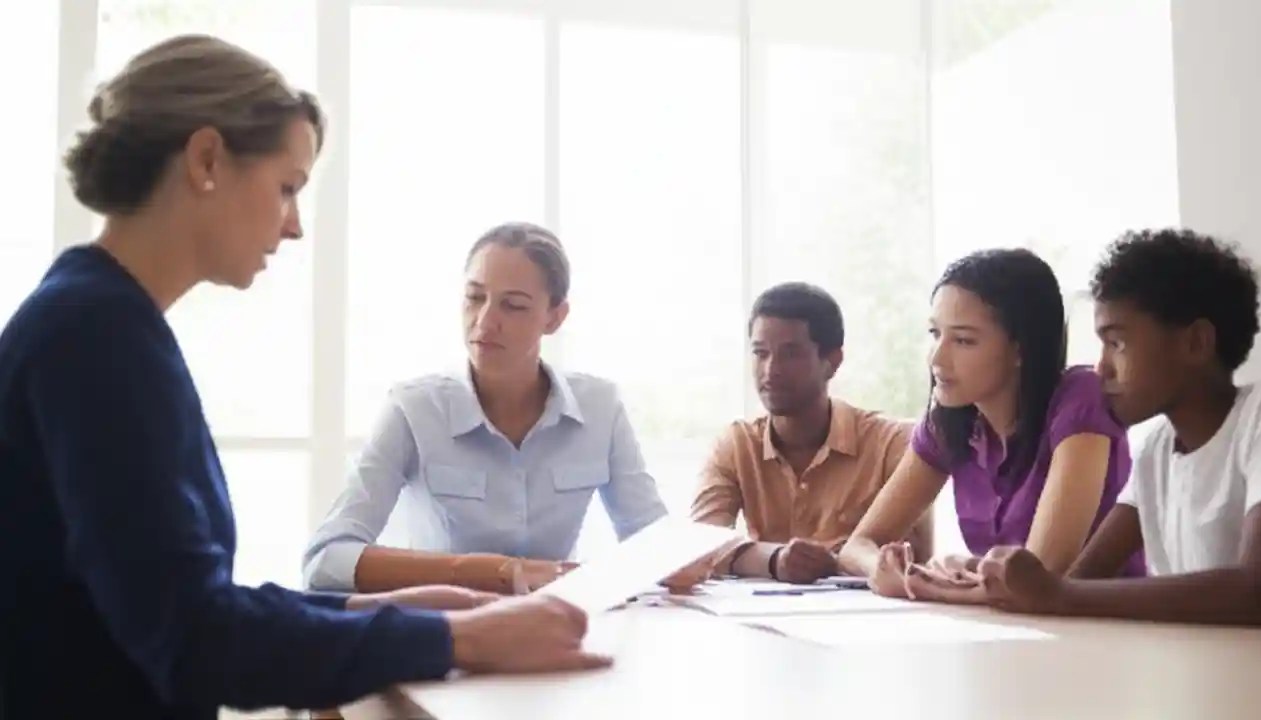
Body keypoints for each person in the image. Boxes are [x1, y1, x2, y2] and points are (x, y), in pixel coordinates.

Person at [0, 35, 606, 720]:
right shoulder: (96, 338)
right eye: (287, 187)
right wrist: (455, 637)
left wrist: (372, 608)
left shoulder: (96, 318)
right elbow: (199, 639)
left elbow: (175, 597)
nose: (294, 227)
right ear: (206, 160)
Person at [304, 222, 668, 595]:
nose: (485, 321)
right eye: (475, 298)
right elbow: (326, 559)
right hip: (445, 637)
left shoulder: (601, 407)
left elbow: (660, 546)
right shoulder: (412, 409)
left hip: (556, 634)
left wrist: (693, 559)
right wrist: (497, 571)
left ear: (555, 317)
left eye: (513, 305)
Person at [976, 229, 1261, 626]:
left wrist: (1056, 592)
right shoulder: (1157, 449)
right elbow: (1081, 580)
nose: (1101, 368)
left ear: (1196, 343)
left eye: (1117, 343)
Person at [838, 248, 1140, 600]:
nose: (936, 358)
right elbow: (857, 545)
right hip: (1011, 632)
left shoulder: (1080, 398)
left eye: (964, 340)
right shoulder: (948, 423)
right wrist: (882, 567)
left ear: (1020, 350)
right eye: (935, 334)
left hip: (1107, 631)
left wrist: (932, 587)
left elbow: (1041, 572)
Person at [692, 283, 926, 583]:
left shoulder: (893, 443)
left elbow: (910, 555)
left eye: (790, 354)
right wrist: (775, 560)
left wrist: (831, 562)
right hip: (765, 619)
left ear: (833, 362)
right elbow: (698, 546)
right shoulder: (738, 444)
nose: (770, 370)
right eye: (760, 353)